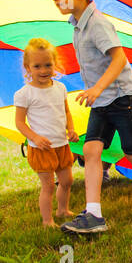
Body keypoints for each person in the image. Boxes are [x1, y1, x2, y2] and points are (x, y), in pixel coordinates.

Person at [52, 0, 132, 234]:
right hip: (102, 100)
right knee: (91, 151)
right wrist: (96, 92)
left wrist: (96, 89)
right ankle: (93, 213)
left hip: (121, 97)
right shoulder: (77, 26)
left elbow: (119, 59)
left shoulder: (98, 24)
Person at [14, 38, 78, 227]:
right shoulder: (25, 93)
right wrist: (34, 137)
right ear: (28, 67)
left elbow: (66, 112)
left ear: (55, 64)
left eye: (48, 65)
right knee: (49, 185)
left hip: (61, 144)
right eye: (37, 66)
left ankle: (62, 209)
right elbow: (19, 122)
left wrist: (71, 129)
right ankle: (47, 220)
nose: (43, 70)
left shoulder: (60, 88)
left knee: (67, 181)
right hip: (41, 148)